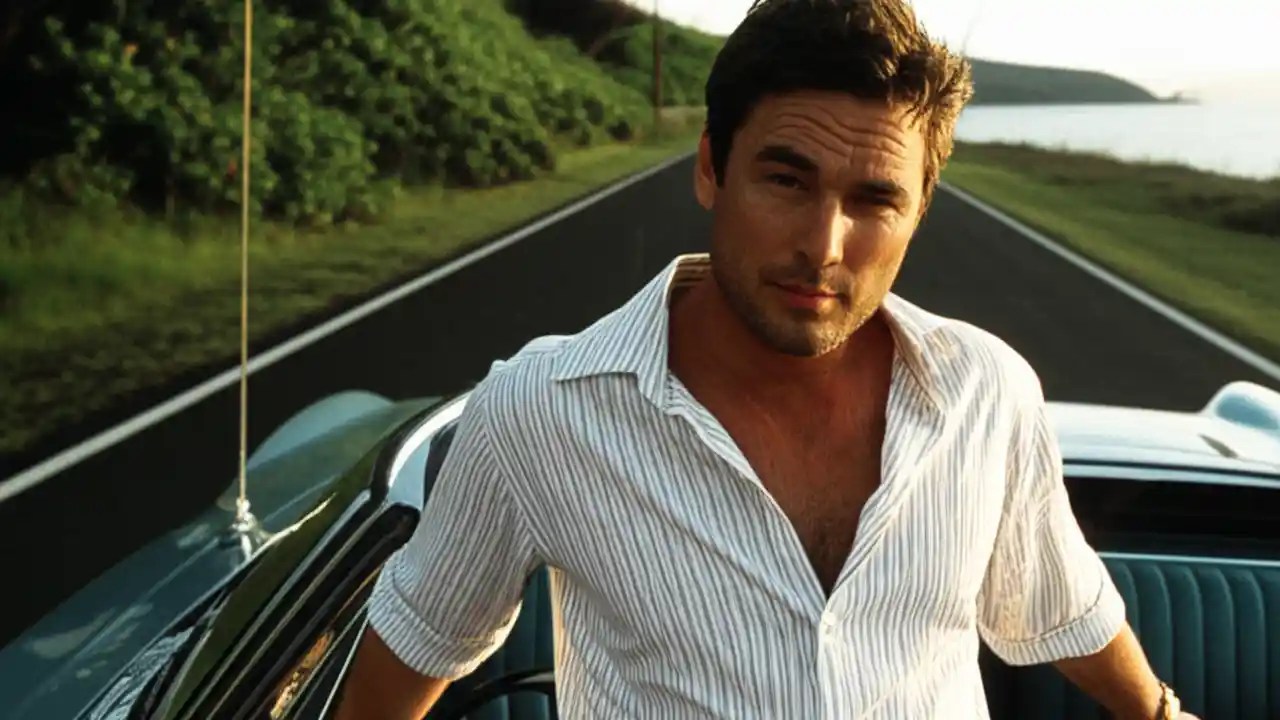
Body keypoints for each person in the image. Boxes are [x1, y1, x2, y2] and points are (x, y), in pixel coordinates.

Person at [334, 0, 1195, 717]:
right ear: (712, 168)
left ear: (921, 209)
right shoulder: (539, 411)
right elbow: (413, 655)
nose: (824, 246)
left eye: (874, 200)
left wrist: (1159, 713)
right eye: (787, 180)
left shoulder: (988, 391)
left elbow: (1061, 600)